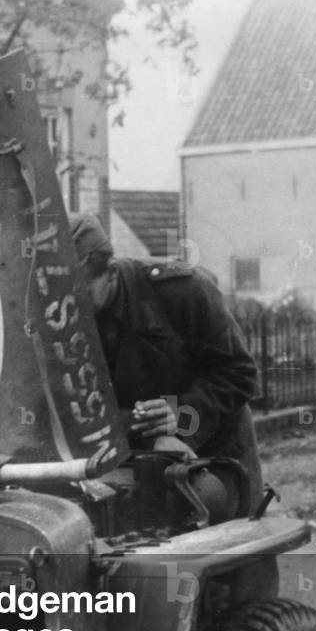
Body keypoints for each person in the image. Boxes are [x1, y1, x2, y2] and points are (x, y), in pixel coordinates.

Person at [69, 212, 263, 500]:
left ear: (111, 273)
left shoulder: (181, 290)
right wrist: (152, 434)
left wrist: (181, 420)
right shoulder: (61, 317)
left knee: (227, 523)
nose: (74, 307)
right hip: (133, 456)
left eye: (83, 293)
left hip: (216, 451)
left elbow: (239, 373)